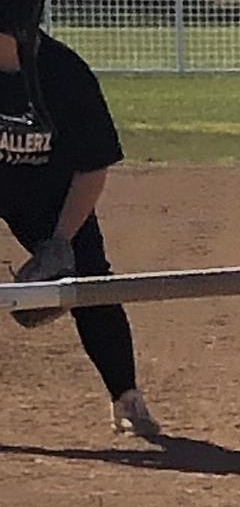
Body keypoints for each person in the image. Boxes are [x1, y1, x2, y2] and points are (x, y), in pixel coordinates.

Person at [1, 23, 161, 440]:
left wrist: (59, 243)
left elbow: (91, 166)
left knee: (89, 278)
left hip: (46, 190)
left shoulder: (62, 72)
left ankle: (125, 396)